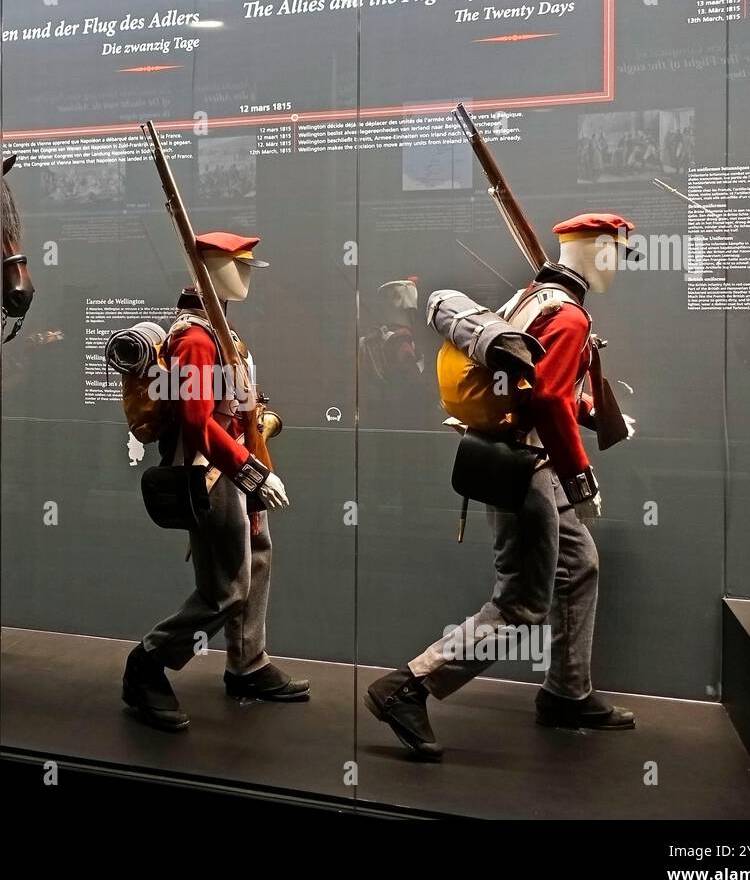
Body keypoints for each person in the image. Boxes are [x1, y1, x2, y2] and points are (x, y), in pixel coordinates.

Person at [365, 213, 641, 762]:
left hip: (526, 456)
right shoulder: (566, 314)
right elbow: (548, 401)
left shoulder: (533, 300)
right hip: (529, 467)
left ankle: (568, 691)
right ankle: (407, 686)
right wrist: (580, 477)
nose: (620, 264)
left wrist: (594, 414)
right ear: (598, 251)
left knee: (580, 566)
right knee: (520, 604)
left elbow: (538, 383)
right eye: (617, 252)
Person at [122, 232, 308, 731]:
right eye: (236, 265)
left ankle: (246, 663)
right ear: (209, 269)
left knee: (258, 557)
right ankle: (147, 663)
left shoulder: (218, 328)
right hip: (210, 471)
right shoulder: (196, 338)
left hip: (236, 462)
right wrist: (250, 472)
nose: (244, 274)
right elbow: (198, 423)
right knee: (225, 589)